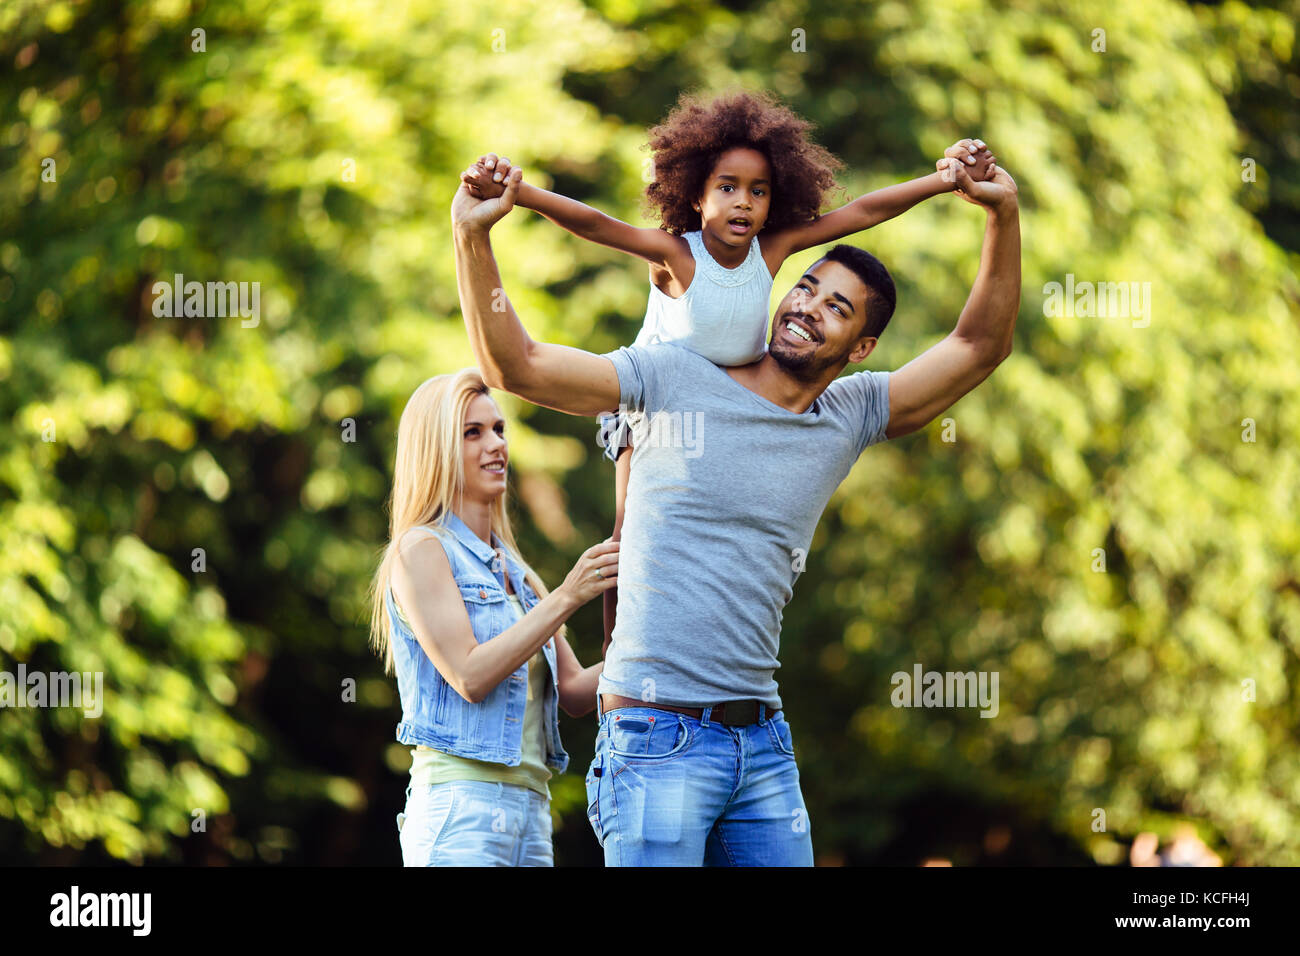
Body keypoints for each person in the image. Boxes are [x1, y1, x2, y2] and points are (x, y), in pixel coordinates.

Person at [450, 144, 1020, 865]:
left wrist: (1003, 213)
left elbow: (979, 345)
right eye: (807, 288)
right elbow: (518, 366)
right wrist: (473, 234)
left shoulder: (849, 414)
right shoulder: (674, 375)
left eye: (836, 307)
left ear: (862, 346)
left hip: (763, 745)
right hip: (655, 741)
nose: (807, 306)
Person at [460, 90, 994, 652]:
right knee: (629, 540)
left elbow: (861, 213)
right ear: (696, 195)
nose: (743, 203)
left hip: (724, 400)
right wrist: (519, 196)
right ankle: (617, 661)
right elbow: (594, 224)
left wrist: (944, 182)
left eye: (758, 192)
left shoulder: (774, 249)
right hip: (644, 406)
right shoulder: (676, 256)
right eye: (727, 188)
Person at [367, 368, 618, 866]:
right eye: (473, 432)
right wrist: (568, 595)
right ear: (437, 448)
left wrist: (655, 642)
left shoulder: (519, 573)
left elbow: (573, 694)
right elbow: (469, 674)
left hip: (532, 810)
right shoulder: (421, 549)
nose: (496, 445)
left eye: (499, 429)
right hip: (461, 811)